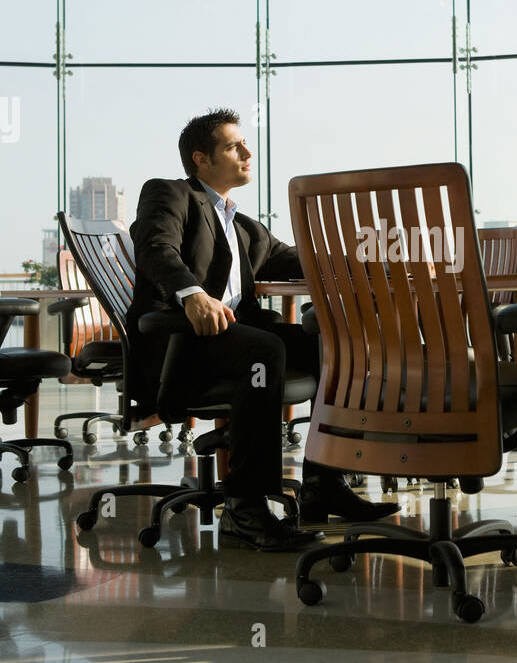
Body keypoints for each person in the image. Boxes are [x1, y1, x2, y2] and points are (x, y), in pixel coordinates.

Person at [126, 107, 399, 551]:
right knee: (266, 349)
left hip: (231, 338)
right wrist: (193, 294)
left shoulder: (243, 227)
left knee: (331, 343)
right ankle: (245, 509)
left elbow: (303, 259)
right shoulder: (169, 193)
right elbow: (156, 248)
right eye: (234, 146)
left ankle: (322, 483)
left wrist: (378, 269)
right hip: (179, 343)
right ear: (201, 158)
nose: (248, 152)